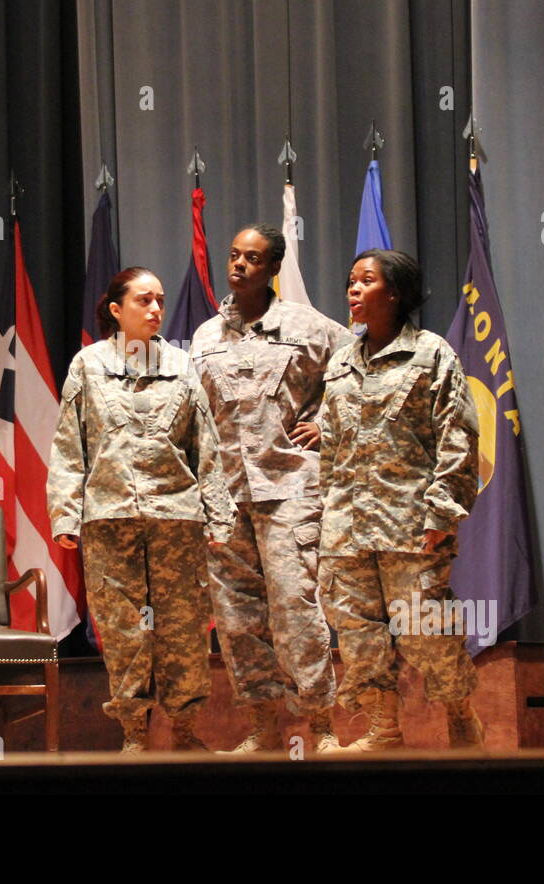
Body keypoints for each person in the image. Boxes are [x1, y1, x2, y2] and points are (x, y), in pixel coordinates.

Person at [48, 267, 234, 753]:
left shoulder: (181, 364)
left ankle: (186, 732)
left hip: (177, 517)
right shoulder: (87, 366)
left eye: (160, 301)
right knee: (125, 631)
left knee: (184, 628)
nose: (155, 310)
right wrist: (65, 514)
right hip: (111, 518)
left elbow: (206, 447)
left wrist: (218, 515)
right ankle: (133, 733)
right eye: (143, 301)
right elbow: (71, 446)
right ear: (116, 310)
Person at [191, 224, 353, 754]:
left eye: (252, 258)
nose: (238, 266)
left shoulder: (307, 327)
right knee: (237, 618)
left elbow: (361, 370)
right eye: (234, 255)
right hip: (226, 495)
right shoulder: (205, 337)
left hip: (288, 486)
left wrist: (327, 424)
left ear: (273, 267)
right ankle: (262, 724)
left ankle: (321, 724)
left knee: (294, 606)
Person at [317, 248, 483, 752]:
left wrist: (441, 512)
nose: (352, 289)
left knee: (424, 633)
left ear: (394, 292)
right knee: (358, 633)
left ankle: (459, 714)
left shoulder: (431, 354)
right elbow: (331, 445)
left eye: (365, 281)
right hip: (346, 525)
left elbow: (457, 438)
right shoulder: (341, 360)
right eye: (350, 280)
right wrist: (327, 513)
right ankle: (382, 728)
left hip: (410, 523)